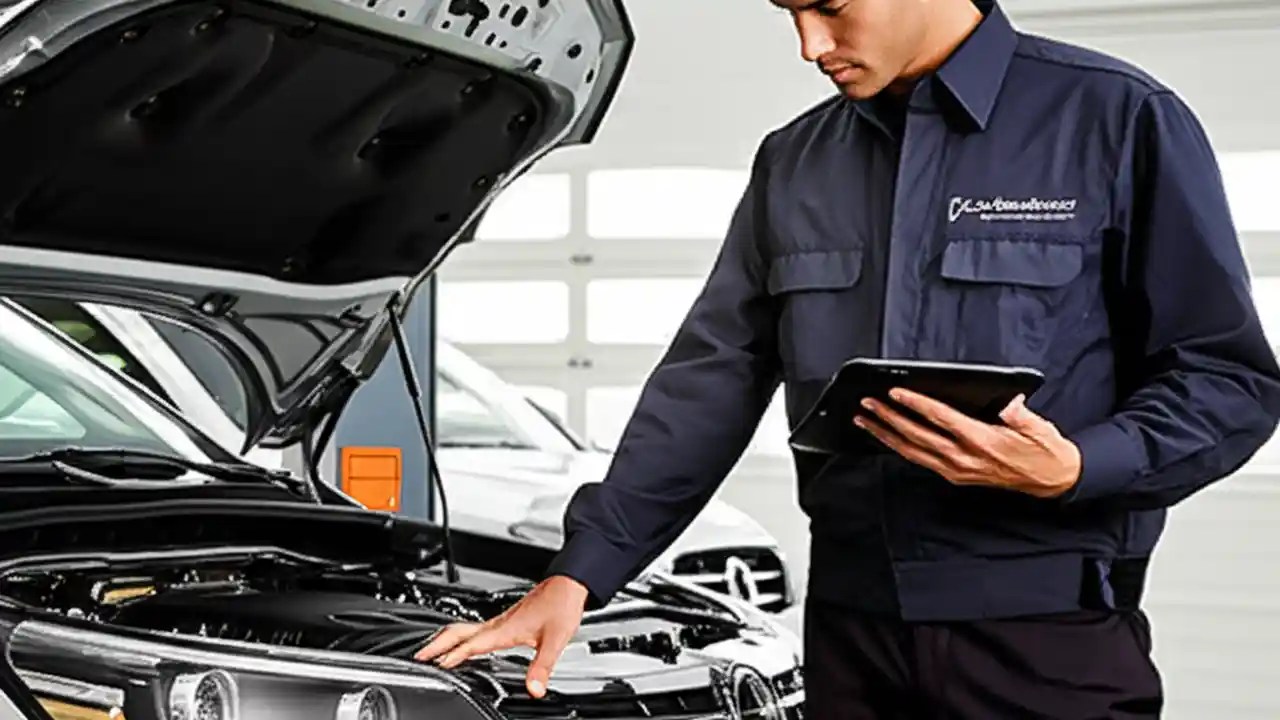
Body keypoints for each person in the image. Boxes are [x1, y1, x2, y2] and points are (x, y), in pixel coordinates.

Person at [416, 0, 1280, 716]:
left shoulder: (1116, 119)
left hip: (1045, 641)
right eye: (789, 13)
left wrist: (1078, 465)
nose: (809, 46)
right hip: (847, 643)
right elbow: (710, 379)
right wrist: (580, 574)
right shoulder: (795, 159)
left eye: (829, 8)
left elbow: (1229, 380)